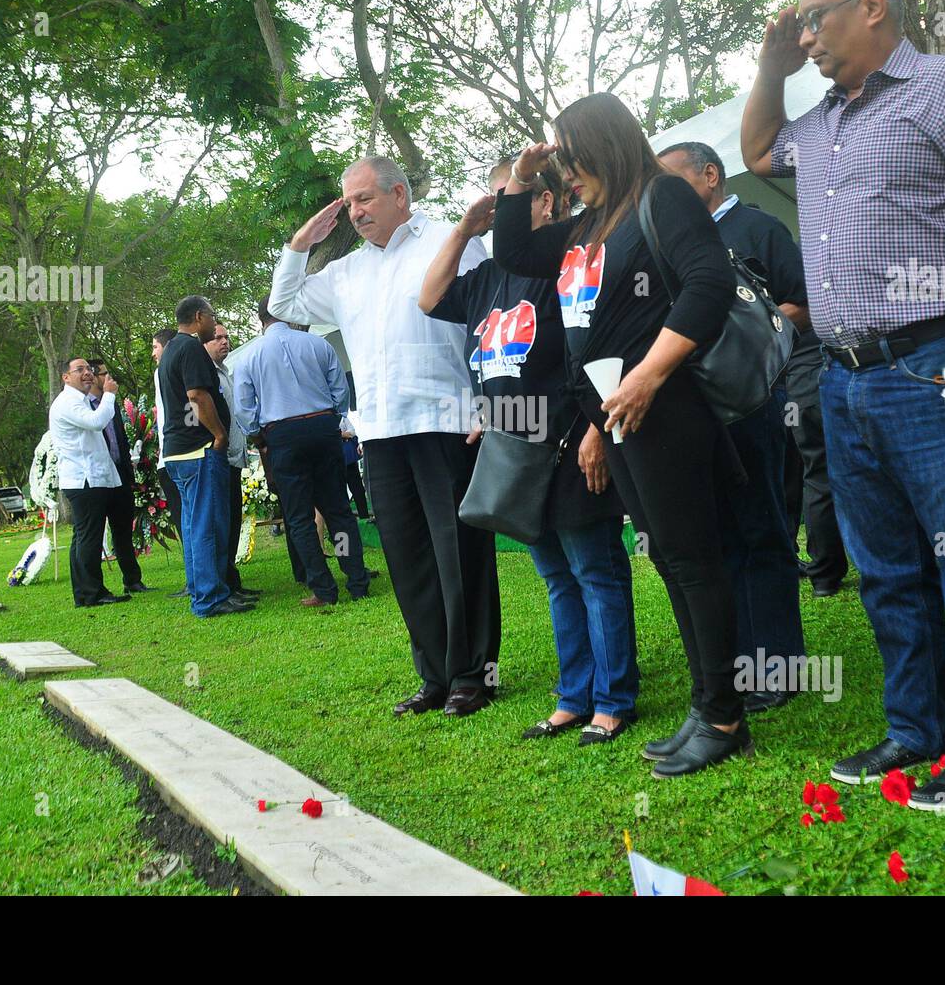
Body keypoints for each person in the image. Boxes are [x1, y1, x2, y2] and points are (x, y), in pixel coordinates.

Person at [741, 0, 945, 808]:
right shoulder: (826, 117)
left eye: (814, 17)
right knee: (886, 568)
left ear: (871, 6)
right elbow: (758, 150)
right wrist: (771, 68)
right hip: (842, 378)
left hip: (931, 360)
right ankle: (918, 729)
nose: (806, 34)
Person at [495, 93, 747, 778]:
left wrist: (650, 374)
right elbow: (514, 247)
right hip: (616, 416)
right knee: (668, 558)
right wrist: (522, 179)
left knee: (693, 558)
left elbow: (708, 281)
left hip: (662, 411)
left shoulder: (660, 198)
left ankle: (724, 715)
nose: (567, 177)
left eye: (573, 160)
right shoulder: (586, 227)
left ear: (603, 144)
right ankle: (705, 705)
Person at [270, 156, 500, 717]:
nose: (354, 212)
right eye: (348, 203)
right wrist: (300, 244)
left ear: (400, 193)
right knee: (407, 556)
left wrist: (489, 404)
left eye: (364, 199)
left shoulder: (452, 239)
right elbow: (283, 305)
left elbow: (490, 317)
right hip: (380, 430)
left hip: (446, 421)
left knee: (460, 553)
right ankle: (435, 675)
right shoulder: (345, 272)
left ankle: (474, 675)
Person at [422, 157, 640, 745]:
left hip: (570, 437)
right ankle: (575, 695)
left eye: (509, 199)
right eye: (494, 200)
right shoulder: (491, 273)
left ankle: (614, 700)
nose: (498, 211)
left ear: (545, 203)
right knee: (556, 575)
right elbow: (429, 298)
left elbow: (602, 346)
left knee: (595, 569)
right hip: (514, 447)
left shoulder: (567, 259)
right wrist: (464, 231)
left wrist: (598, 429)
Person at [659, 142, 809, 714]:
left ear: (710, 175)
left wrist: (747, 333)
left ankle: (778, 667)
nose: (664, 197)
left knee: (763, 530)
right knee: (720, 537)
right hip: (696, 412)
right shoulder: (668, 240)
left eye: (673, 182)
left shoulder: (757, 228)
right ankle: (738, 663)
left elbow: (800, 302)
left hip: (753, 400)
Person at [233, 302, 371, 607]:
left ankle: (323, 588)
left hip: (282, 434)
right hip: (322, 426)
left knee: (299, 518)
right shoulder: (317, 345)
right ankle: (357, 580)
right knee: (338, 511)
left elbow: (244, 410)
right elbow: (341, 390)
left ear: (261, 320)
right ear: (287, 312)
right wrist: (332, 417)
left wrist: (260, 435)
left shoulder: (248, 357)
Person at [159, 295, 254, 618]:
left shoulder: (171, 349)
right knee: (206, 525)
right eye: (212, 318)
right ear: (198, 317)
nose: (215, 325)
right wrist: (219, 434)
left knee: (193, 523)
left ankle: (207, 590)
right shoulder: (190, 349)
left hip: (178, 452)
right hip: (196, 449)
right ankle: (210, 598)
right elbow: (197, 395)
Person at [47, 358, 130, 608]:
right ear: (65, 377)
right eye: (79, 370)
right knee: (89, 538)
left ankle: (87, 591)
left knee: (84, 537)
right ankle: (90, 593)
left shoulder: (77, 400)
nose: (88, 374)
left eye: (89, 370)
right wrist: (109, 395)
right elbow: (96, 422)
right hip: (83, 480)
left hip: (88, 478)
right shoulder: (67, 402)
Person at [204, 324, 261, 599]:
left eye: (227, 337)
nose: (225, 342)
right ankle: (224, 584)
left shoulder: (226, 372)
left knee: (233, 520)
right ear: (205, 342)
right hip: (220, 458)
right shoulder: (207, 374)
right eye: (218, 338)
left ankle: (232, 580)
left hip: (235, 458)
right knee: (222, 522)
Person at [88, 358, 153, 595]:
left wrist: (129, 470)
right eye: (105, 374)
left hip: (120, 473)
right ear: (93, 377)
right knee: (95, 533)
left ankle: (132, 579)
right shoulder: (86, 406)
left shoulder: (112, 404)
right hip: (97, 478)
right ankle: (96, 585)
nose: (109, 378)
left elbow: (120, 439)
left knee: (123, 529)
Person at [152, 328, 188, 598]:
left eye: (154, 347)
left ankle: (196, 579)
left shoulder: (166, 370)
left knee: (186, 521)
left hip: (174, 455)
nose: (153, 353)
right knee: (186, 521)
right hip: (172, 453)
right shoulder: (165, 371)